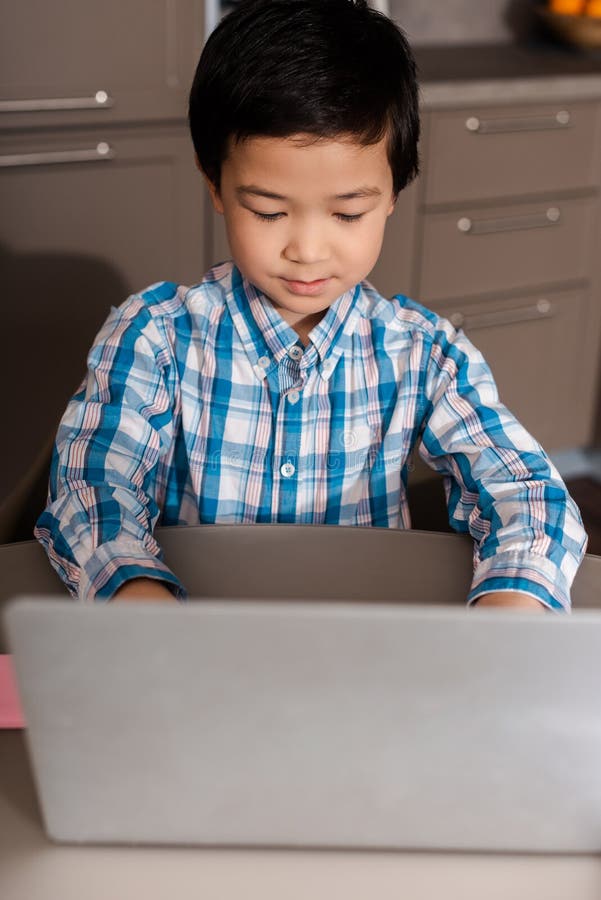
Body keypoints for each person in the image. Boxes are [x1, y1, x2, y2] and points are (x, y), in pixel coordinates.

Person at [34, 0, 587, 611]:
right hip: (194, 644)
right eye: (268, 211)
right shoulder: (154, 337)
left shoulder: (424, 354)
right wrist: (138, 595)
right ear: (214, 182)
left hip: (359, 655)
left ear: (394, 193)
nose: (307, 250)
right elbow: (90, 488)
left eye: (348, 213)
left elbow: (526, 491)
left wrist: (509, 604)